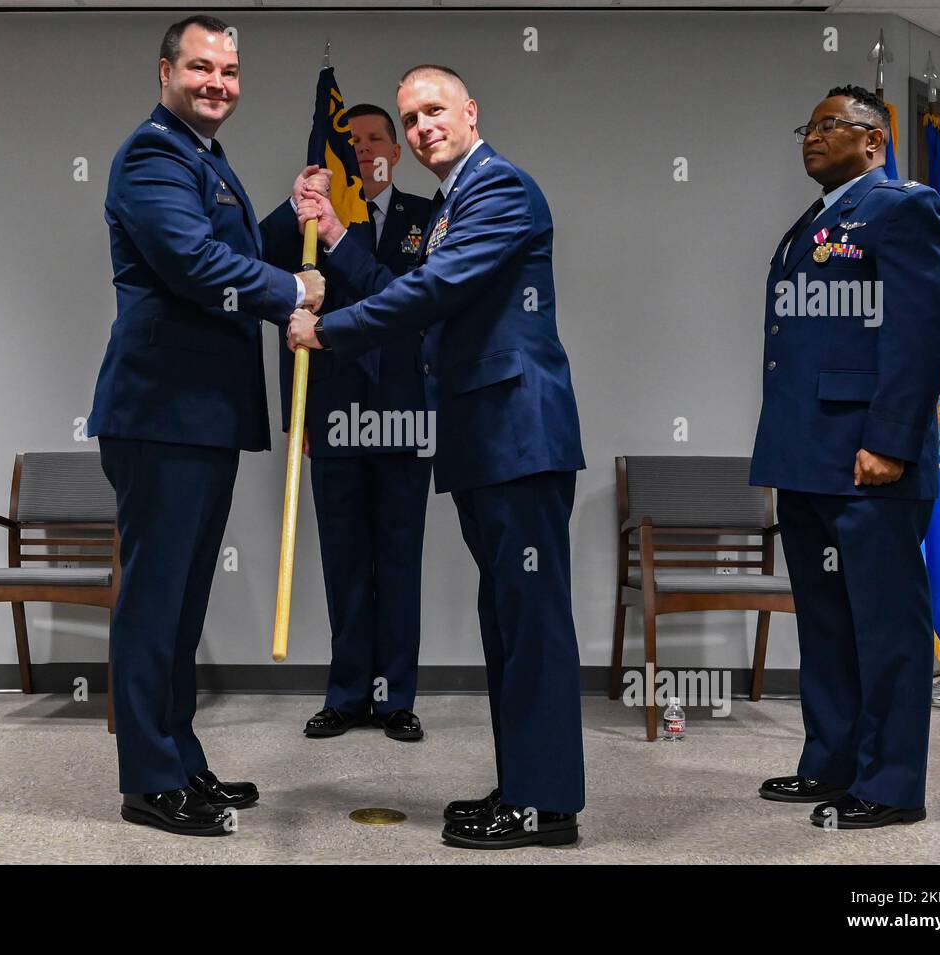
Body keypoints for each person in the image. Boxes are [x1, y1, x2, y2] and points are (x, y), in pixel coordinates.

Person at [288, 65, 586, 850]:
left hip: (518, 434)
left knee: (533, 624)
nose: (421, 128)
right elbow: (408, 284)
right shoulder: (459, 202)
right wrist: (329, 229)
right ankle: (524, 786)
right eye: (412, 118)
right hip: (487, 439)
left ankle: (544, 806)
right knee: (508, 622)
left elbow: (433, 290)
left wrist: (330, 331)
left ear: (470, 111)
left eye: (432, 111)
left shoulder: (499, 189)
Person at [88, 15, 325, 837]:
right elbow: (192, 263)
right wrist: (294, 292)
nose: (217, 81)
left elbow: (226, 250)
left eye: (229, 69)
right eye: (201, 67)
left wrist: (282, 220)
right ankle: (149, 781)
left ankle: (181, 760)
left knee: (183, 601)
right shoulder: (153, 154)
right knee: (155, 600)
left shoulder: (203, 159)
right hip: (164, 411)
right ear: (164, 71)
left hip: (203, 415)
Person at [750, 85, 940, 829]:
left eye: (830, 125)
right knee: (828, 622)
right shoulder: (812, 222)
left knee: (886, 626)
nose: (812, 136)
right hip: (809, 457)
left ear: (875, 139)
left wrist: (890, 440)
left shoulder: (904, 209)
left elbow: (921, 330)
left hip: (871, 458)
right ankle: (831, 761)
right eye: (807, 125)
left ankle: (893, 784)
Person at [260, 104, 433, 743]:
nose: (364, 150)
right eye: (352, 141)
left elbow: (408, 307)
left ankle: (395, 700)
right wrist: (294, 203)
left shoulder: (426, 220)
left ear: (395, 147)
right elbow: (265, 277)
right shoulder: (308, 227)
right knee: (343, 560)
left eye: (375, 138)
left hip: (404, 414)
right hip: (331, 414)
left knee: (397, 560)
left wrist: (338, 237)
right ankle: (348, 693)